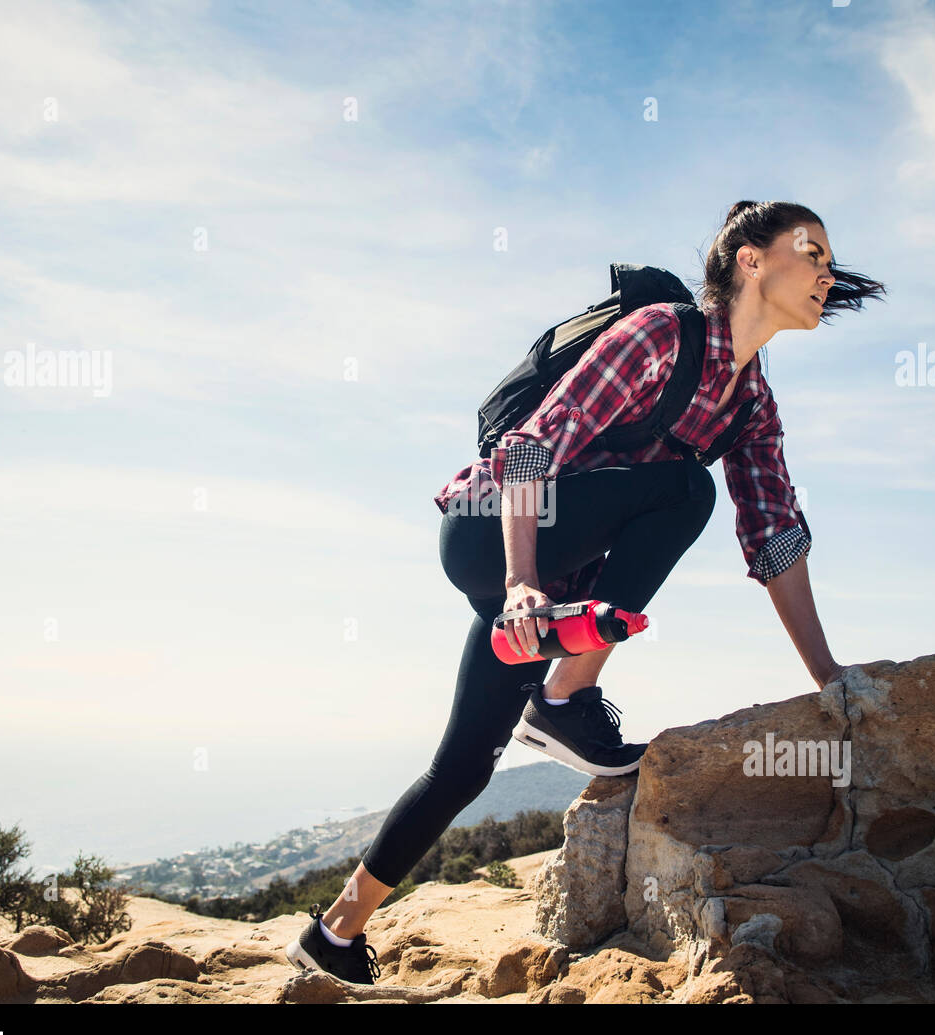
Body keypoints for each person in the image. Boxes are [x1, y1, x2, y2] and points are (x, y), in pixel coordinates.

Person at [285, 199, 887, 985]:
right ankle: (566, 701)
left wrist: (829, 677)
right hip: (493, 536)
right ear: (751, 259)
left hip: (554, 595)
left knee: (464, 767)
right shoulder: (663, 333)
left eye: (830, 262)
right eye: (812, 251)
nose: (826, 273)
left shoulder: (752, 406)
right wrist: (522, 585)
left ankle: (334, 932)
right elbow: (532, 446)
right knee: (683, 491)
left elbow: (774, 537)